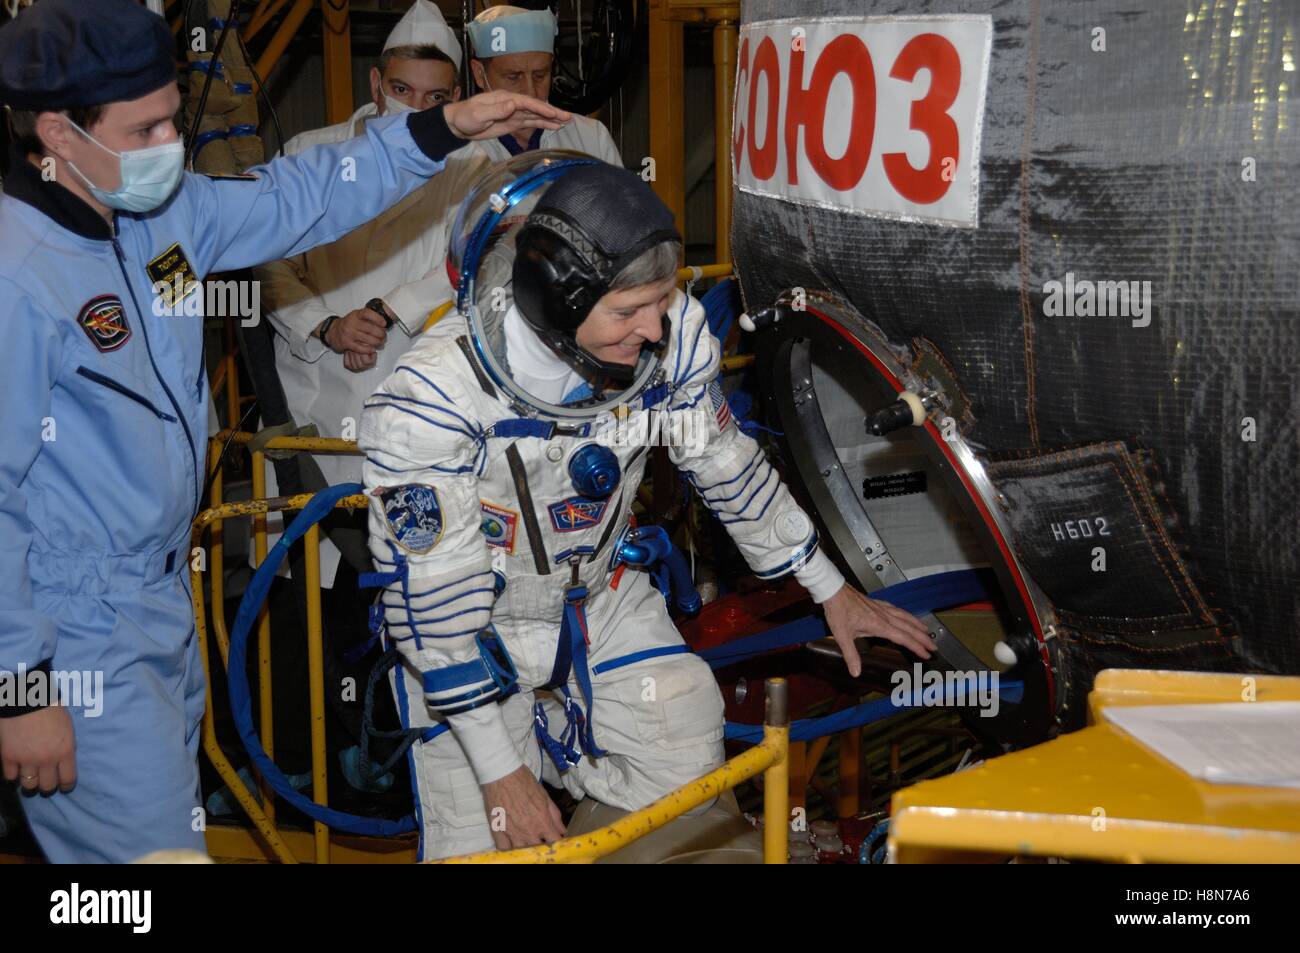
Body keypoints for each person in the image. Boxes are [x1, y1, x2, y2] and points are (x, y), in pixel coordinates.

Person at [0, 0, 569, 863]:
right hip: (71, 631)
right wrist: (20, 688)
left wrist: (441, 127)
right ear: (58, 133)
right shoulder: (18, 273)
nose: (169, 147)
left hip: (159, 603)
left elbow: (304, 196)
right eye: (145, 127)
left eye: (171, 120)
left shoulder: (161, 220)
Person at [358, 157, 937, 859]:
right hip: (477, 632)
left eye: (661, 301)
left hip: (595, 601)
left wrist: (830, 586)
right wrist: (501, 770)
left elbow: (724, 461)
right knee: (491, 841)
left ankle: (570, 781)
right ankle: (514, 758)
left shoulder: (674, 340)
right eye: (629, 312)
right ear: (558, 302)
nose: (656, 328)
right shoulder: (432, 400)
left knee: (683, 724)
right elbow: (435, 609)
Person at [255, 0, 491, 590]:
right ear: (375, 84)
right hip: (317, 396)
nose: (416, 109)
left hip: (423, 396)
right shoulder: (311, 154)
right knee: (314, 592)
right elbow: (267, 259)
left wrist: (389, 313)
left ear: (456, 97)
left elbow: (474, 259)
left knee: (426, 587)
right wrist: (327, 325)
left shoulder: (474, 163)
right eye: (402, 90)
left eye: (436, 99)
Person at [467, 5, 622, 165]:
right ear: (479, 74)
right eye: (513, 77)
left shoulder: (591, 139)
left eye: (540, 75)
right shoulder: (457, 152)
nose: (530, 92)